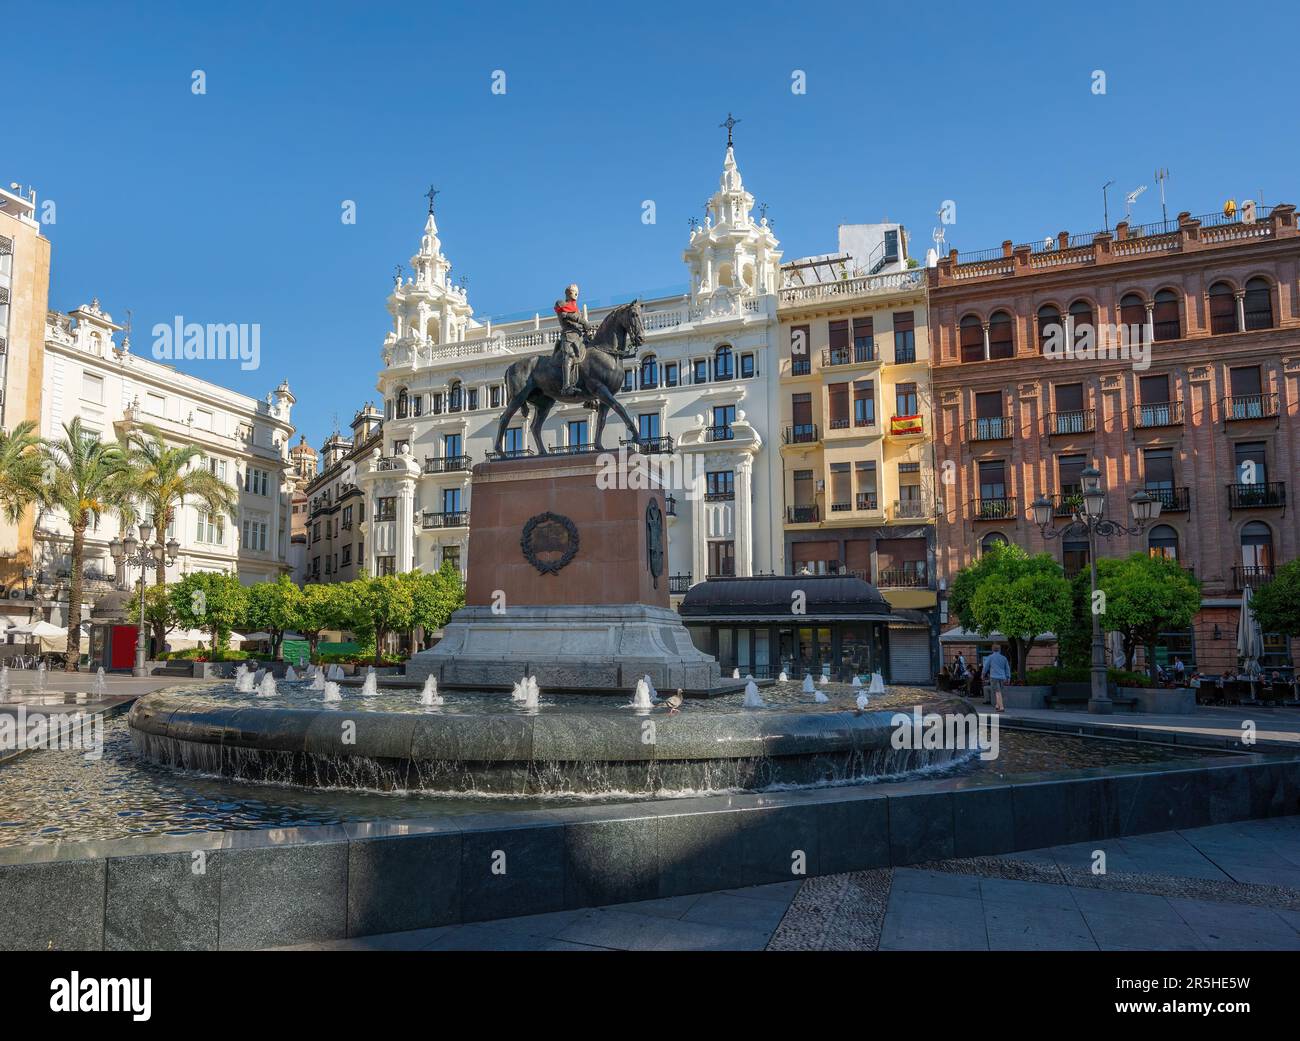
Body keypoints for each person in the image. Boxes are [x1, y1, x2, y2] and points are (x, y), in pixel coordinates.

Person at [553, 283, 595, 396]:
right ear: (567, 293)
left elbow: (579, 321)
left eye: (577, 292)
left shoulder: (577, 309)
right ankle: (566, 386)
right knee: (569, 356)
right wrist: (584, 322)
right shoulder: (561, 303)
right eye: (573, 291)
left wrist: (588, 331)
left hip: (579, 337)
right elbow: (567, 316)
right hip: (568, 336)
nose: (575, 294)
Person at [982, 644, 1010, 712]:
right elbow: (1007, 668)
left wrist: (983, 674)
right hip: (1003, 677)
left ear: (992, 649)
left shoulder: (990, 657)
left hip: (994, 677)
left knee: (997, 692)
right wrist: (1008, 677)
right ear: (999, 649)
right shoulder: (1004, 658)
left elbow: (986, 667)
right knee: (999, 692)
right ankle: (997, 705)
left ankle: (1001, 707)